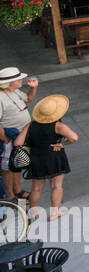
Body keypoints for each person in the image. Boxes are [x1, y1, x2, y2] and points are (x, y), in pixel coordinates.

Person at [13, 94, 76, 220]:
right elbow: (74, 137)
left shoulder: (30, 125)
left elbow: (17, 143)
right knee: (56, 186)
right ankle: (54, 213)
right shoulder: (58, 126)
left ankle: (32, 213)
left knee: (36, 188)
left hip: (37, 157)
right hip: (55, 156)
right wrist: (62, 144)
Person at [0, 66, 38, 201]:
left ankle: (17, 190)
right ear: (10, 82)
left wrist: (33, 88)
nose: (21, 79)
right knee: (7, 167)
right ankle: (10, 195)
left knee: (17, 164)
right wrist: (4, 139)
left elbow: (28, 99)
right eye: (18, 78)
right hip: (10, 138)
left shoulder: (15, 91)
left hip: (21, 136)